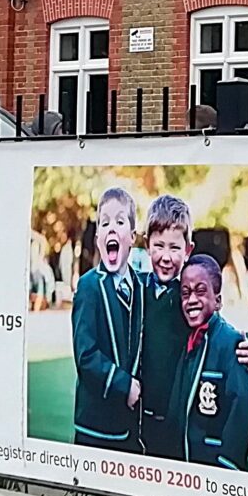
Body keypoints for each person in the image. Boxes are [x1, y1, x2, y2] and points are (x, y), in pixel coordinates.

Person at [133, 194, 248, 454]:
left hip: (177, 426)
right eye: (159, 246)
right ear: (147, 245)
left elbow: (221, 332)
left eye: (174, 248)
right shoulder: (137, 290)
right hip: (135, 420)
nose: (166, 257)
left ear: (188, 250)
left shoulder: (189, 299)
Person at [165, 254, 248, 469]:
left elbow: (240, 412)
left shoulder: (232, 343)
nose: (191, 300)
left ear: (218, 301)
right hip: (183, 470)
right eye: (185, 293)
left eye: (200, 291)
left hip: (215, 472)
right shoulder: (183, 340)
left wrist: (228, 468)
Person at [69, 187, 142, 449]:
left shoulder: (140, 287)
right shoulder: (89, 287)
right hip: (96, 428)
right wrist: (125, 386)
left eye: (120, 222)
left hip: (131, 428)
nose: (111, 228)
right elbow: (85, 355)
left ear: (132, 236)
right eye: (105, 222)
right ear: (98, 235)